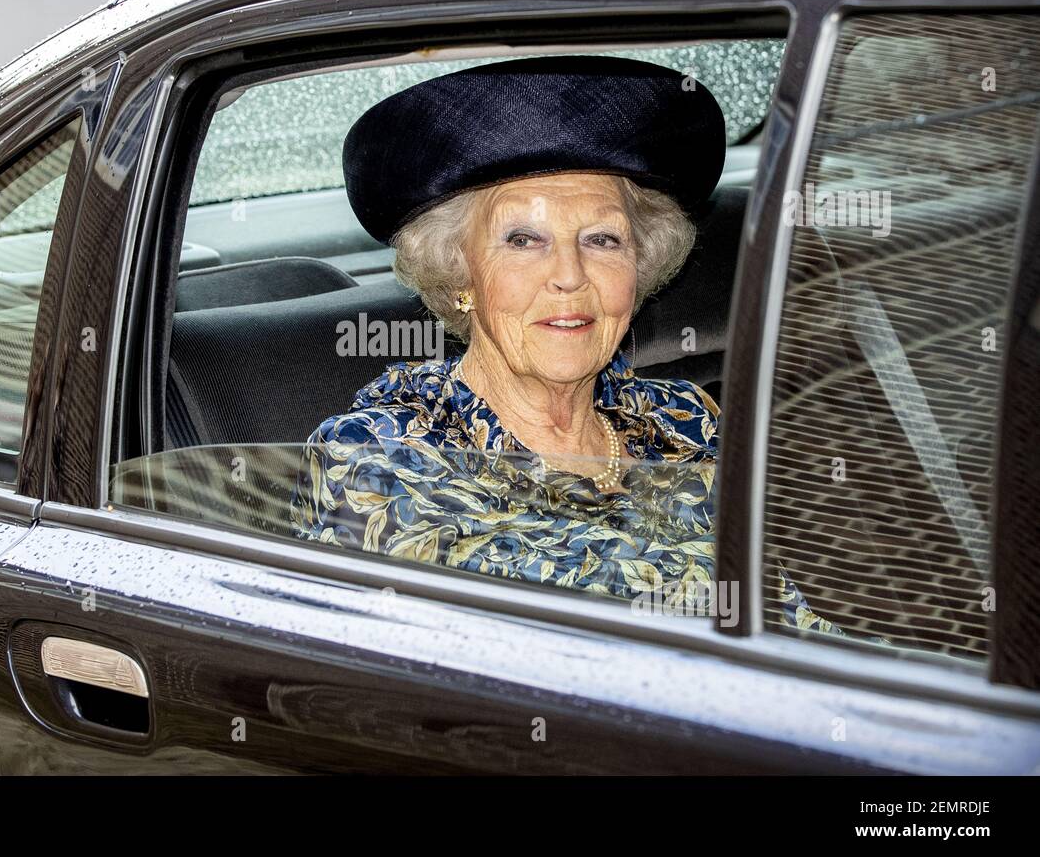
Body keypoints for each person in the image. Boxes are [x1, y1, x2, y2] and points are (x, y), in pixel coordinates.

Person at [291, 55, 847, 635]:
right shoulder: (378, 455)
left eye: (602, 239)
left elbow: (786, 623)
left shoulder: (686, 419)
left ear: (640, 268)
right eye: (524, 240)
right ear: (461, 277)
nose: (569, 276)